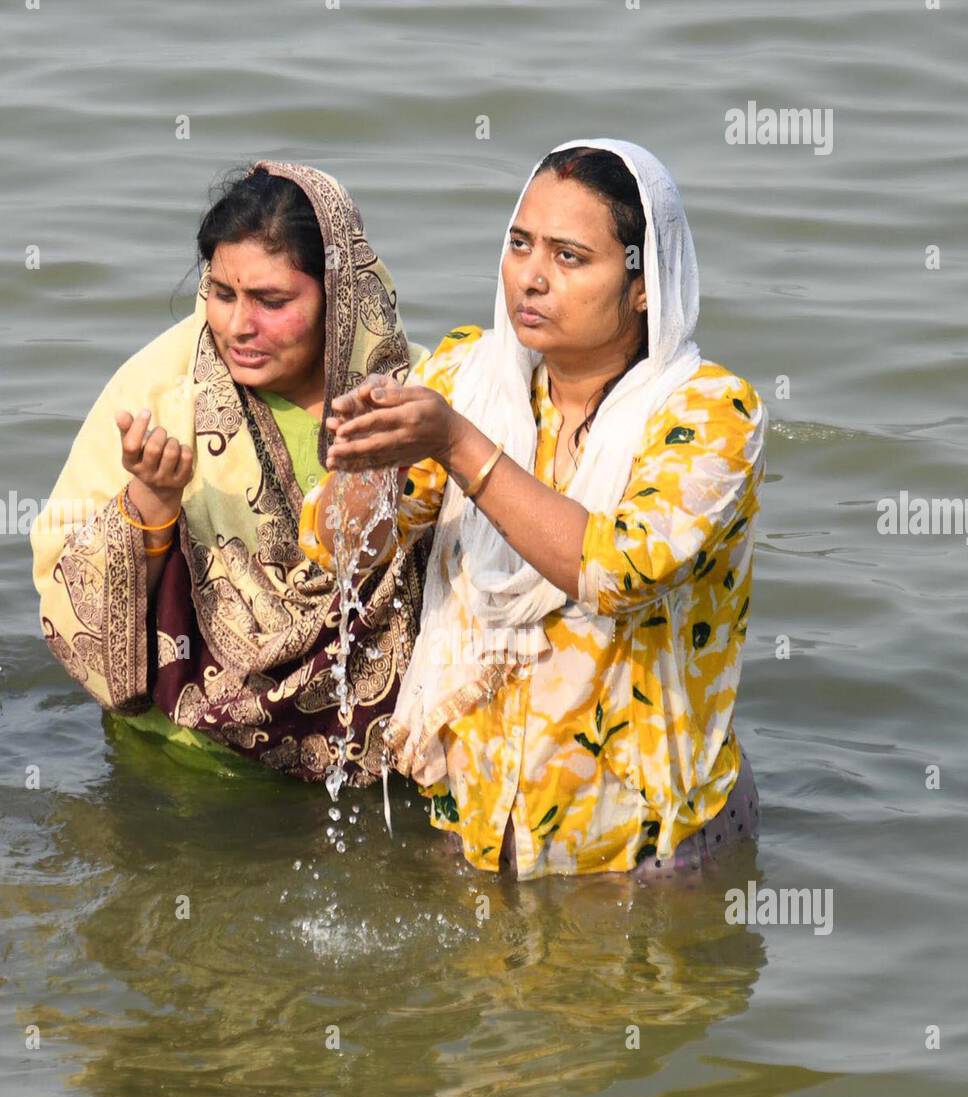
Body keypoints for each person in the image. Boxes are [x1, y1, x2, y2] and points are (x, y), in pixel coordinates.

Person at [299, 139, 768, 877]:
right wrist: (369, 461)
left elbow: (618, 569)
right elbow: (336, 545)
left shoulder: (712, 414)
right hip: (475, 824)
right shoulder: (466, 375)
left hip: (640, 842)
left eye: (570, 257)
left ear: (644, 285)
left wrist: (456, 444)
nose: (533, 277)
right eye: (521, 245)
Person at [30, 161, 429, 782]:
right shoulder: (159, 392)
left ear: (340, 293)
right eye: (222, 294)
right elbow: (64, 581)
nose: (239, 326)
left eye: (272, 301)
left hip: (384, 762)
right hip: (184, 762)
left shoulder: (421, 399)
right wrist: (152, 505)